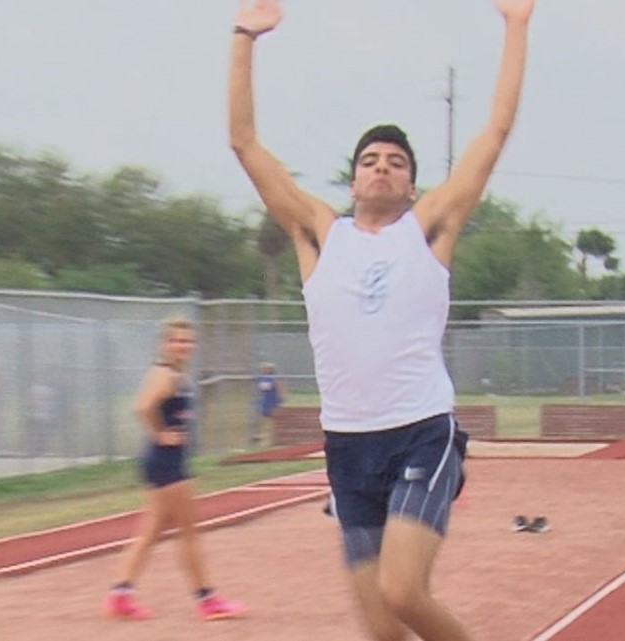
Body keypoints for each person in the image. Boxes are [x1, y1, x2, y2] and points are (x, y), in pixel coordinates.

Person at [228, 1, 533, 639]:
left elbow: (494, 133)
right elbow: (245, 144)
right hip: (347, 444)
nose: (383, 166)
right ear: (353, 178)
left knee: (401, 591)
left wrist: (516, 24)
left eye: (396, 161)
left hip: (420, 431)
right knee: (380, 630)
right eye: (371, 159)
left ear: (413, 186)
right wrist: (244, 37)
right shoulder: (318, 233)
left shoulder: (427, 230)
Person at [103, 317, 244, 621]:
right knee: (189, 532)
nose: (183, 346)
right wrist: (160, 433)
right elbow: (141, 406)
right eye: (176, 340)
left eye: (187, 341)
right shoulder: (164, 374)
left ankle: (120, 594)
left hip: (165, 461)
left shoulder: (175, 375)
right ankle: (206, 598)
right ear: (164, 344)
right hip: (166, 462)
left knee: (151, 531)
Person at [251, 362, 284, 445]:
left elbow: (279, 387)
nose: (263, 370)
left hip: (272, 401)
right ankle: (258, 436)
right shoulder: (261, 378)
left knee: (271, 420)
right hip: (263, 401)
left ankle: (270, 439)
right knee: (260, 418)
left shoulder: (274, 378)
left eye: (265, 368)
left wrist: (280, 398)